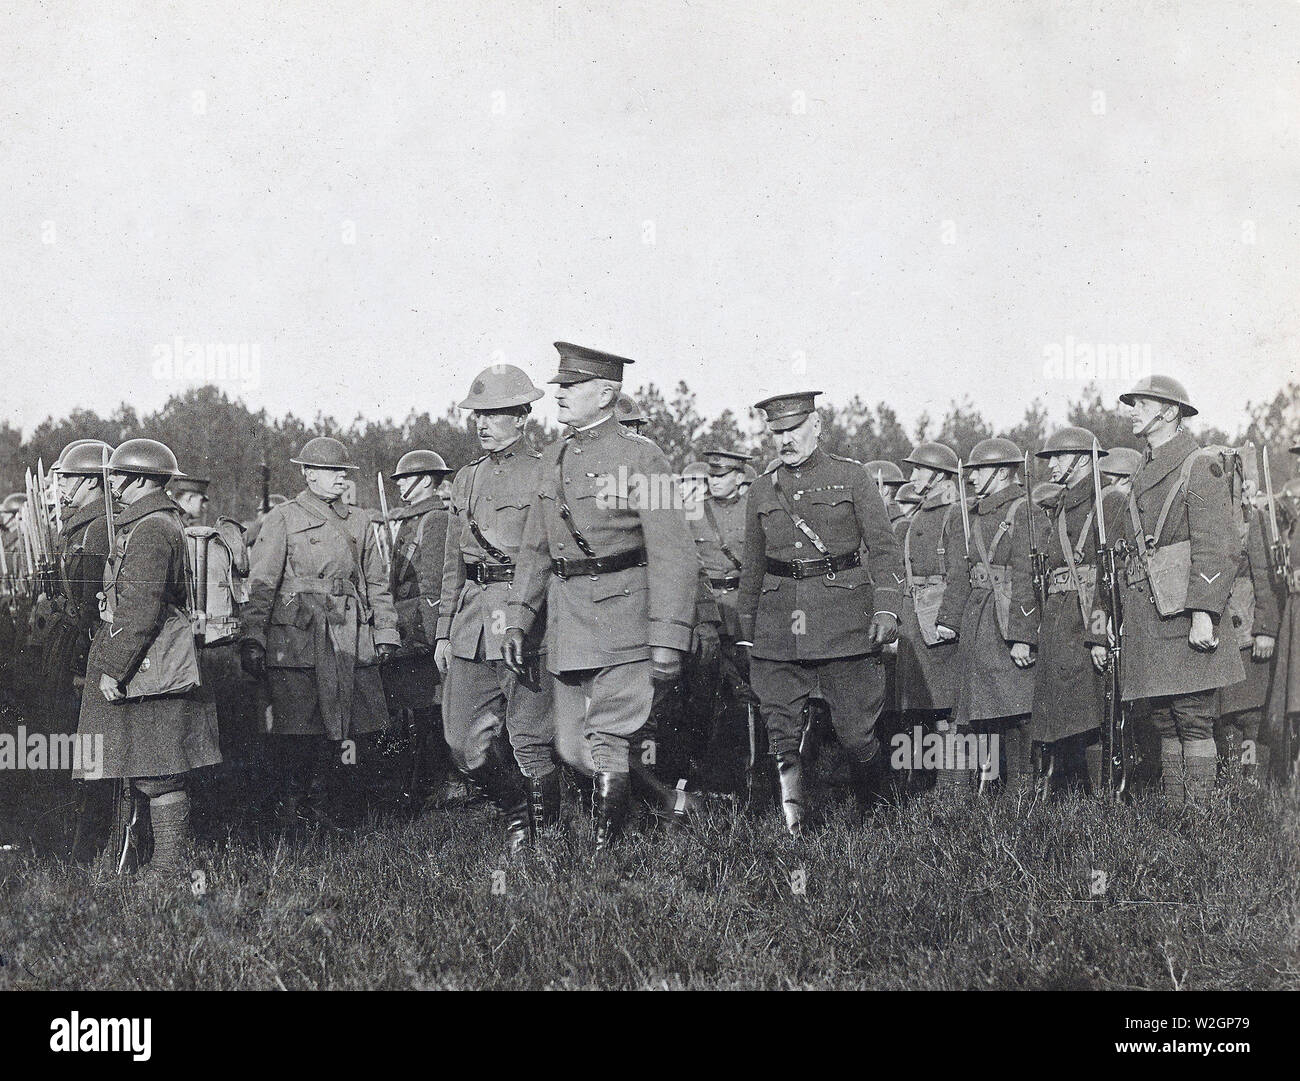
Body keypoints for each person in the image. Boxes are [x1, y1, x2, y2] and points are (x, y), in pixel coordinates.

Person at [503, 343, 698, 850]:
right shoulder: (554, 459)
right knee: (572, 749)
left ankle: (605, 858)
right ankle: (669, 805)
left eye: (571, 386)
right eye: (561, 385)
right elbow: (535, 547)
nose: (559, 394)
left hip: (626, 614)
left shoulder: (643, 457)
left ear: (607, 393)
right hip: (569, 620)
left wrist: (669, 637)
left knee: (608, 737)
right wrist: (519, 618)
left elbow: (673, 551)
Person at [736, 391, 903, 835]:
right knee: (781, 735)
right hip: (777, 630)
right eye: (777, 433)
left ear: (817, 425)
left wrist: (887, 607)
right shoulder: (760, 489)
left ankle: (878, 815)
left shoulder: (851, 478)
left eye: (793, 430)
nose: (785, 441)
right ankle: (795, 832)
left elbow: (885, 549)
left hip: (843, 625)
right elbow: (753, 568)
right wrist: (746, 633)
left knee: (855, 733)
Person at [75, 438, 220, 879]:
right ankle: (148, 858)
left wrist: (112, 669)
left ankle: (170, 864)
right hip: (148, 662)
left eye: (118, 475)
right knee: (148, 763)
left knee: (159, 768)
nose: (112, 483)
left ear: (139, 479)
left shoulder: (153, 529)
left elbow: (141, 608)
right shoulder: (152, 523)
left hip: (149, 666)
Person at [240, 436, 401, 829]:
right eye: (330, 472)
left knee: (353, 726)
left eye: (342, 472)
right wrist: (253, 638)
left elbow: (376, 583)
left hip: (350, 635)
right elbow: (262, 584)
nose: (339, 479)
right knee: (300, 725)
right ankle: (298, 809)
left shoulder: (359, 521)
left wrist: (386, 633)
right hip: (300, 640)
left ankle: (341, 805)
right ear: (308, 474)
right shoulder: (283, 519)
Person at [1098, 375, 1244, 808]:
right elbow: (1129, 552)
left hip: (1183, 611)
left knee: (1194, 716)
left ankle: (1202, 820)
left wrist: (1205, 611)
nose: (1133, 411)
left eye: (1141, 404)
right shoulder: (1145, 467)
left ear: (1170, 412)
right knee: (1163, 717)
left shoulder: (1199, 463)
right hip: (1148, 610)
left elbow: (1217, 544)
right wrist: (1114, 613)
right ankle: (1175, 813)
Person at [436, 364, 559, 850]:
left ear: (523, 417)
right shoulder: (465, 480)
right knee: (462, 742)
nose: (482, 424)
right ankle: (515, 806)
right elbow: (453, 564)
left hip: (528, 616)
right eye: (477, 415)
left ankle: (542, 837)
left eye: (494, 414)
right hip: (472, 623)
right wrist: (444, 632)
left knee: (530, 737)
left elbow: (550, 554)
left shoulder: (544, 472)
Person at [936, 437, 1036, 793]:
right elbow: (959, 572)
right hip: (977, 620)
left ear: (1004, 472)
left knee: (1016, 711)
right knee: (972, 709)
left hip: (1006, 620)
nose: (973, 478)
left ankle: (1020, 801)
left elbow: (1026, 576)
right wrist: (949, 619)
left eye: (980, 471)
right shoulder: (972, 514)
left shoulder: (1026, 511)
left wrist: (1023, 636)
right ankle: (967, 797)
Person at [1029, 427, 1113, 793]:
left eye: (1060, 457)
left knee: (1092, 715)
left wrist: (1097, 632)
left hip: (1085, 622)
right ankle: (1069, 801)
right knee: (1062, 713)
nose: (1052, 465)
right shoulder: (1061, 506)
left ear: (1082, 459)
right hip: (1058, 623)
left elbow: (1110, 576)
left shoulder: (1107, 501)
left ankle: (1103, 801)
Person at [383, 449, 458, 810]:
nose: (399, 485)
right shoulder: (411, 520)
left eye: (405, 478)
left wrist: (423, 630)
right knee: (418, 709)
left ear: (426, 480)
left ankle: (448, 782)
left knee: (434, 708)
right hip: (409, 622)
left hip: (423, 627)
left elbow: (434, 582)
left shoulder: (437, 519)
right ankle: (427, 782)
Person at [894, 442, 963, 793]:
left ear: (939, 475)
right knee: (921, 707)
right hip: (914, 620)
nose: (913, 476)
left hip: (938, 623)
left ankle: (951, 787)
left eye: (920, 469)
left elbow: (959, 572)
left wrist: (949, 620)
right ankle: (923, 784)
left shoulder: (953, 515)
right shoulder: (918, 516)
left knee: (945, 710)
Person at [1214, 474, 1278, 785]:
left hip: (1250, 636)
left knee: (1252, 717)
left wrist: (1265, 628)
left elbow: (1264, 579)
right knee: (1227, 718)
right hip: (1222, 639)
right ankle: (1233, 787)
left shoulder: (1254, 522)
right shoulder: (1209, 525)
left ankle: (1251, 788)